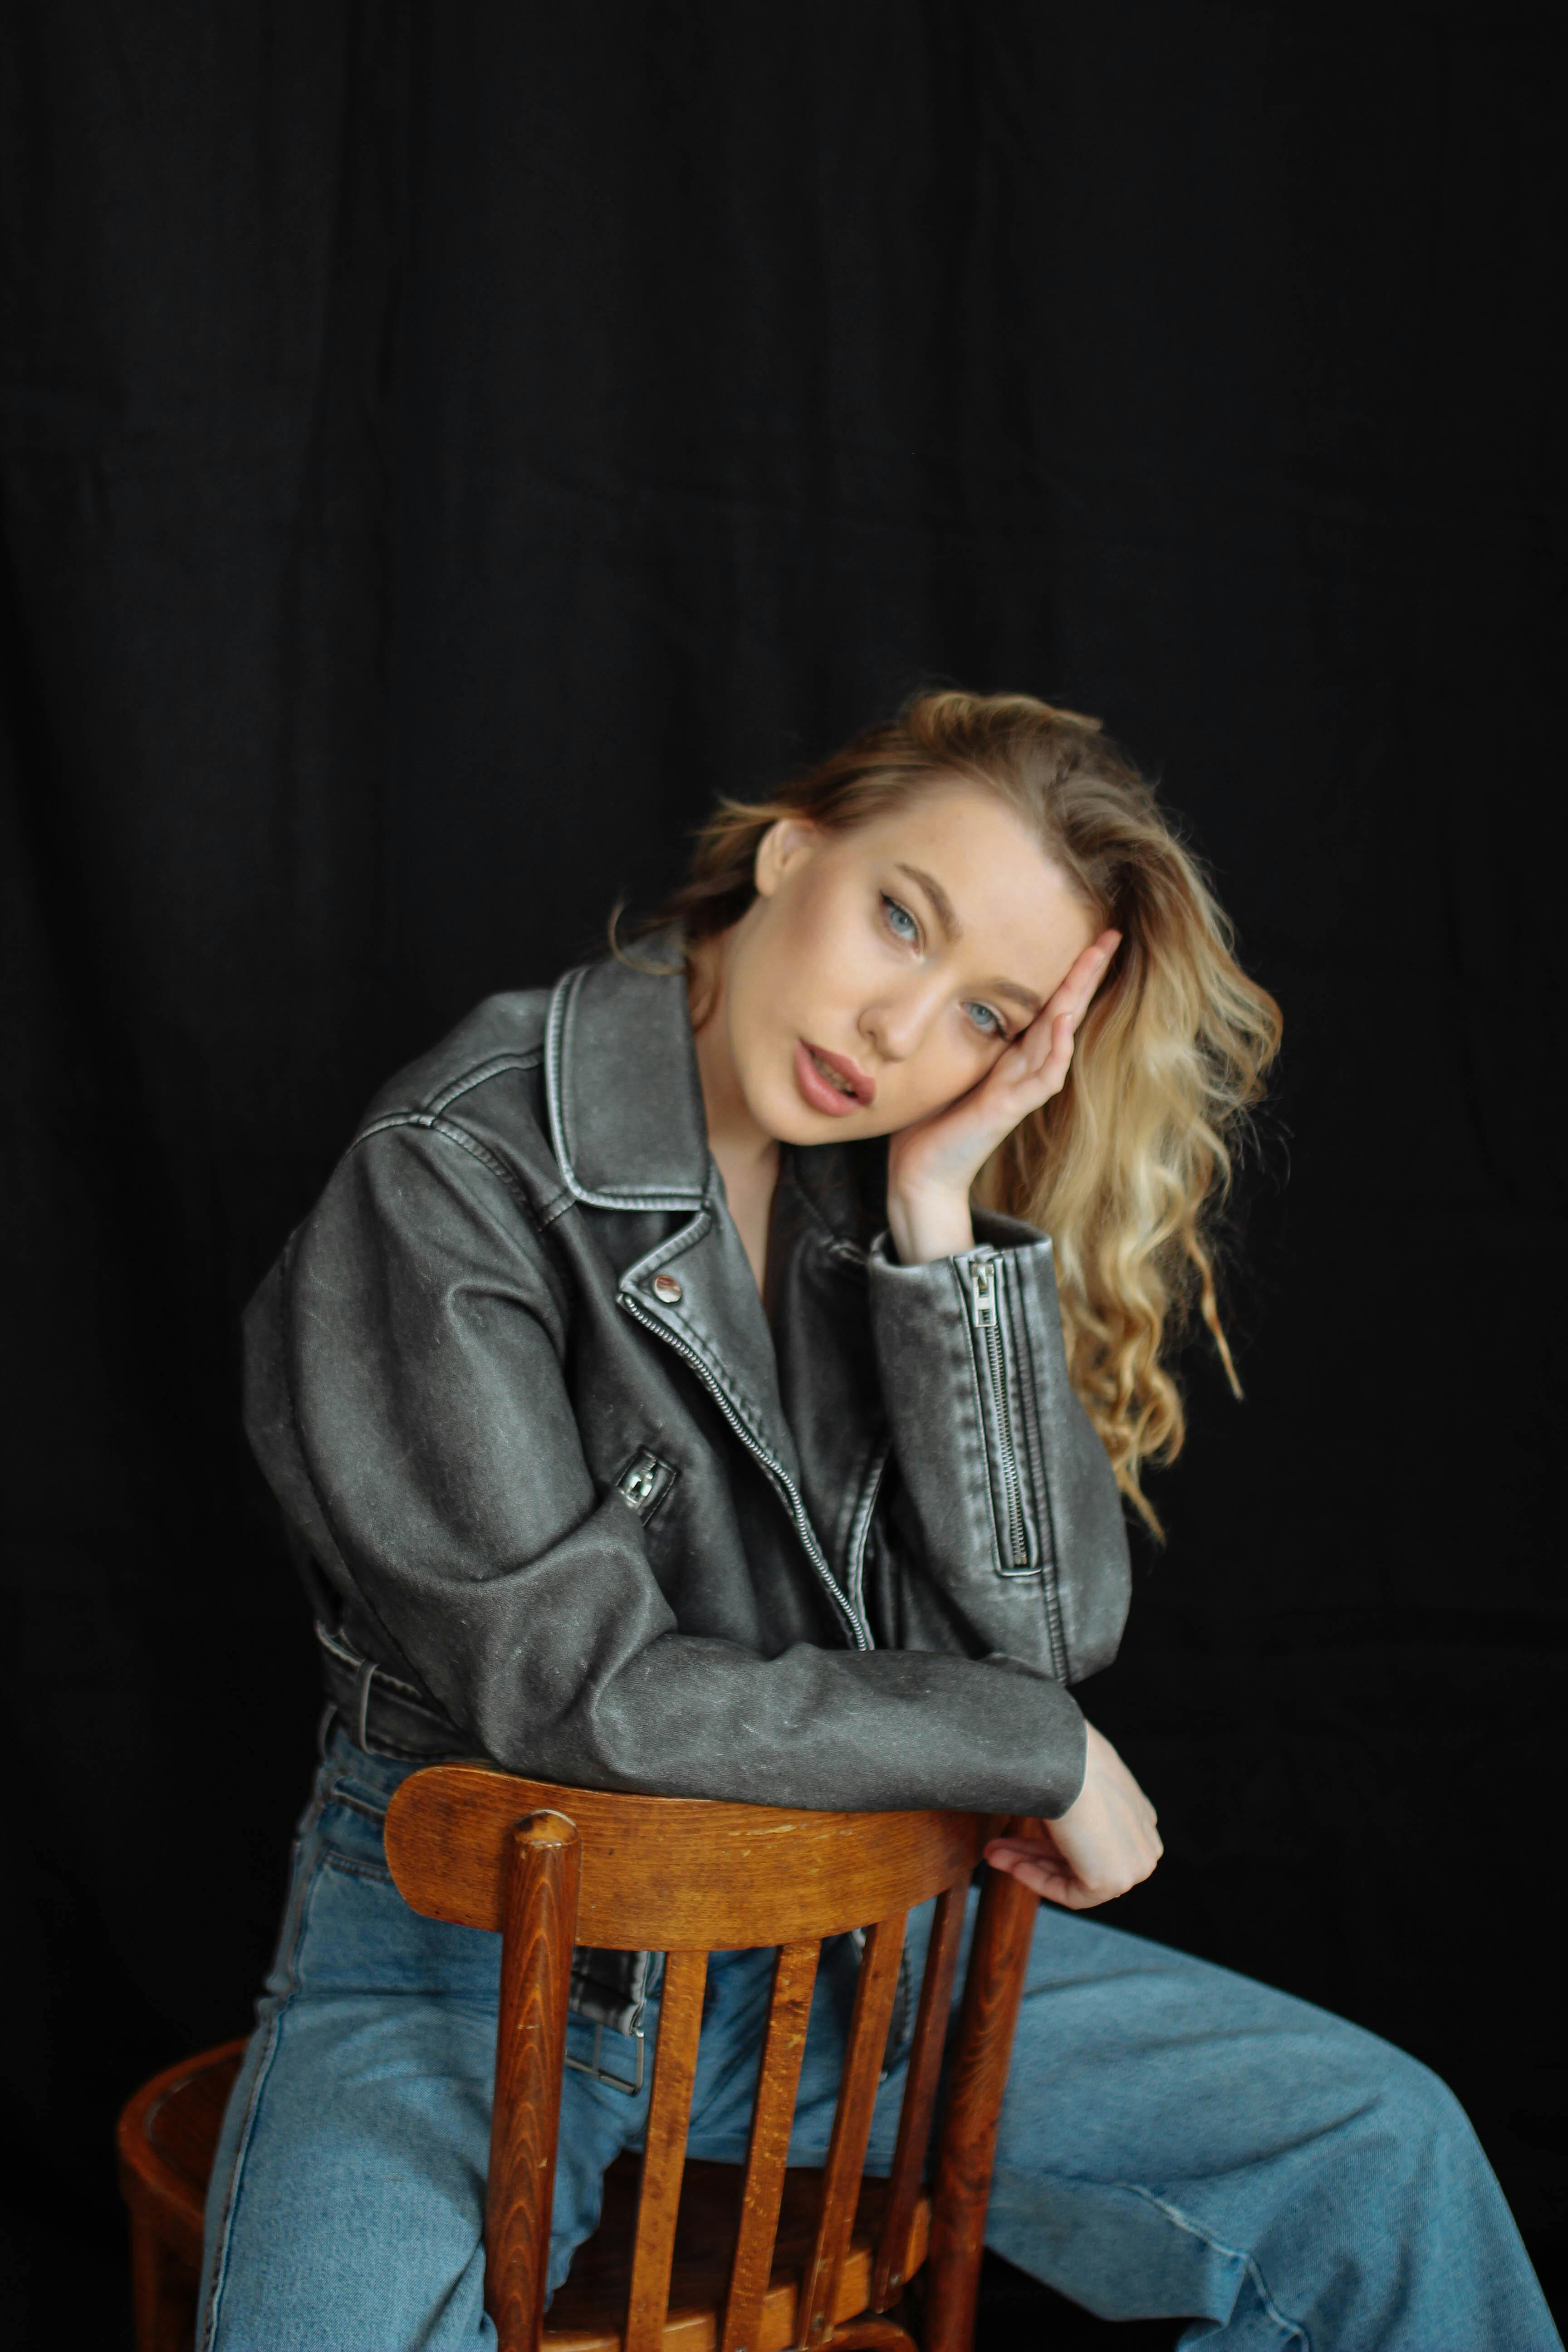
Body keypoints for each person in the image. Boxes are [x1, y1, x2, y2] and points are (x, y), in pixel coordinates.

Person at [199, 691, 1558, 2350]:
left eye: (987, 1013)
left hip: (841, 1961)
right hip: (477, 1966)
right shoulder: (454, 1171)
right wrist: (1033, 1752)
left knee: (1382, 2158)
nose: (901, 1025)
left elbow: (1056, 1630)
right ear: (793, 850)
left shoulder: (881, 1180)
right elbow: (580, 1697)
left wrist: (935, 1222)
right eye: (899, 918)